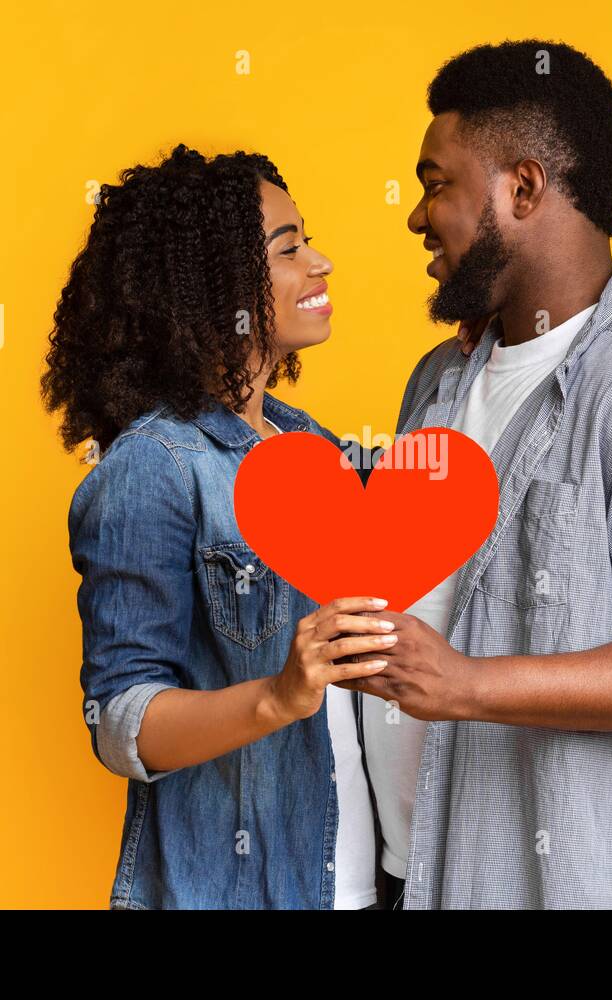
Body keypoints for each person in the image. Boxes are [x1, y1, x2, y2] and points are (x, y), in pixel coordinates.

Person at [341, 40, 612, 909]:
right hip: (411, 879)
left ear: (524, 188)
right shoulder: (437, 382)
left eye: (437, 183)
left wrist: (467, 685)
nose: (416, 216)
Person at [41, 145, 398, 909]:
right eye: (291, 248)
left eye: (310, 240)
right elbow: (123, 721)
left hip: (358, 886)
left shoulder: (321, 451)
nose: (321, 262)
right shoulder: (155, 467)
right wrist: (279, 694)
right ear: (214, 287)